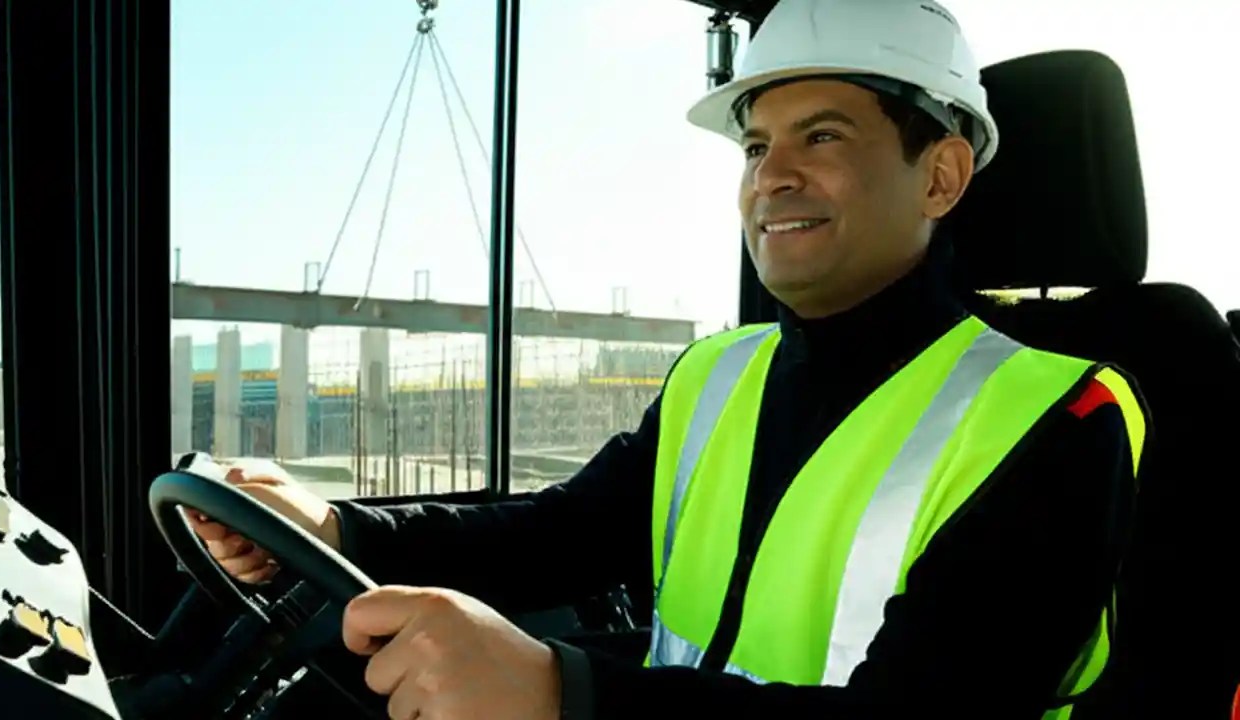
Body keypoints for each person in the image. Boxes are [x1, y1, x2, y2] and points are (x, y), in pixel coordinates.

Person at [189, 0, 1147, 718]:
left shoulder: (1054, 419)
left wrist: (562, 690)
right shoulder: (716, 375)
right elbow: (561, 536)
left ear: (939, 175)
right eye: (756, 146)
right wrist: (338, 528)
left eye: (821, 136)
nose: (771, 176)